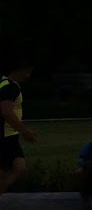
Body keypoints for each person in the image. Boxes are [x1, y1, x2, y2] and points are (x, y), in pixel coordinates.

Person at [0, 60, 40, 198]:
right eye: (28, 72)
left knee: (19, 167)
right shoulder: (10, 87)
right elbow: (6, 112)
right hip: (6, 135)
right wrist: (25, 131)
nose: (28, 76)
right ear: (19, 69)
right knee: (8, 172)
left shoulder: (3, 83)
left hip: (10, 135)